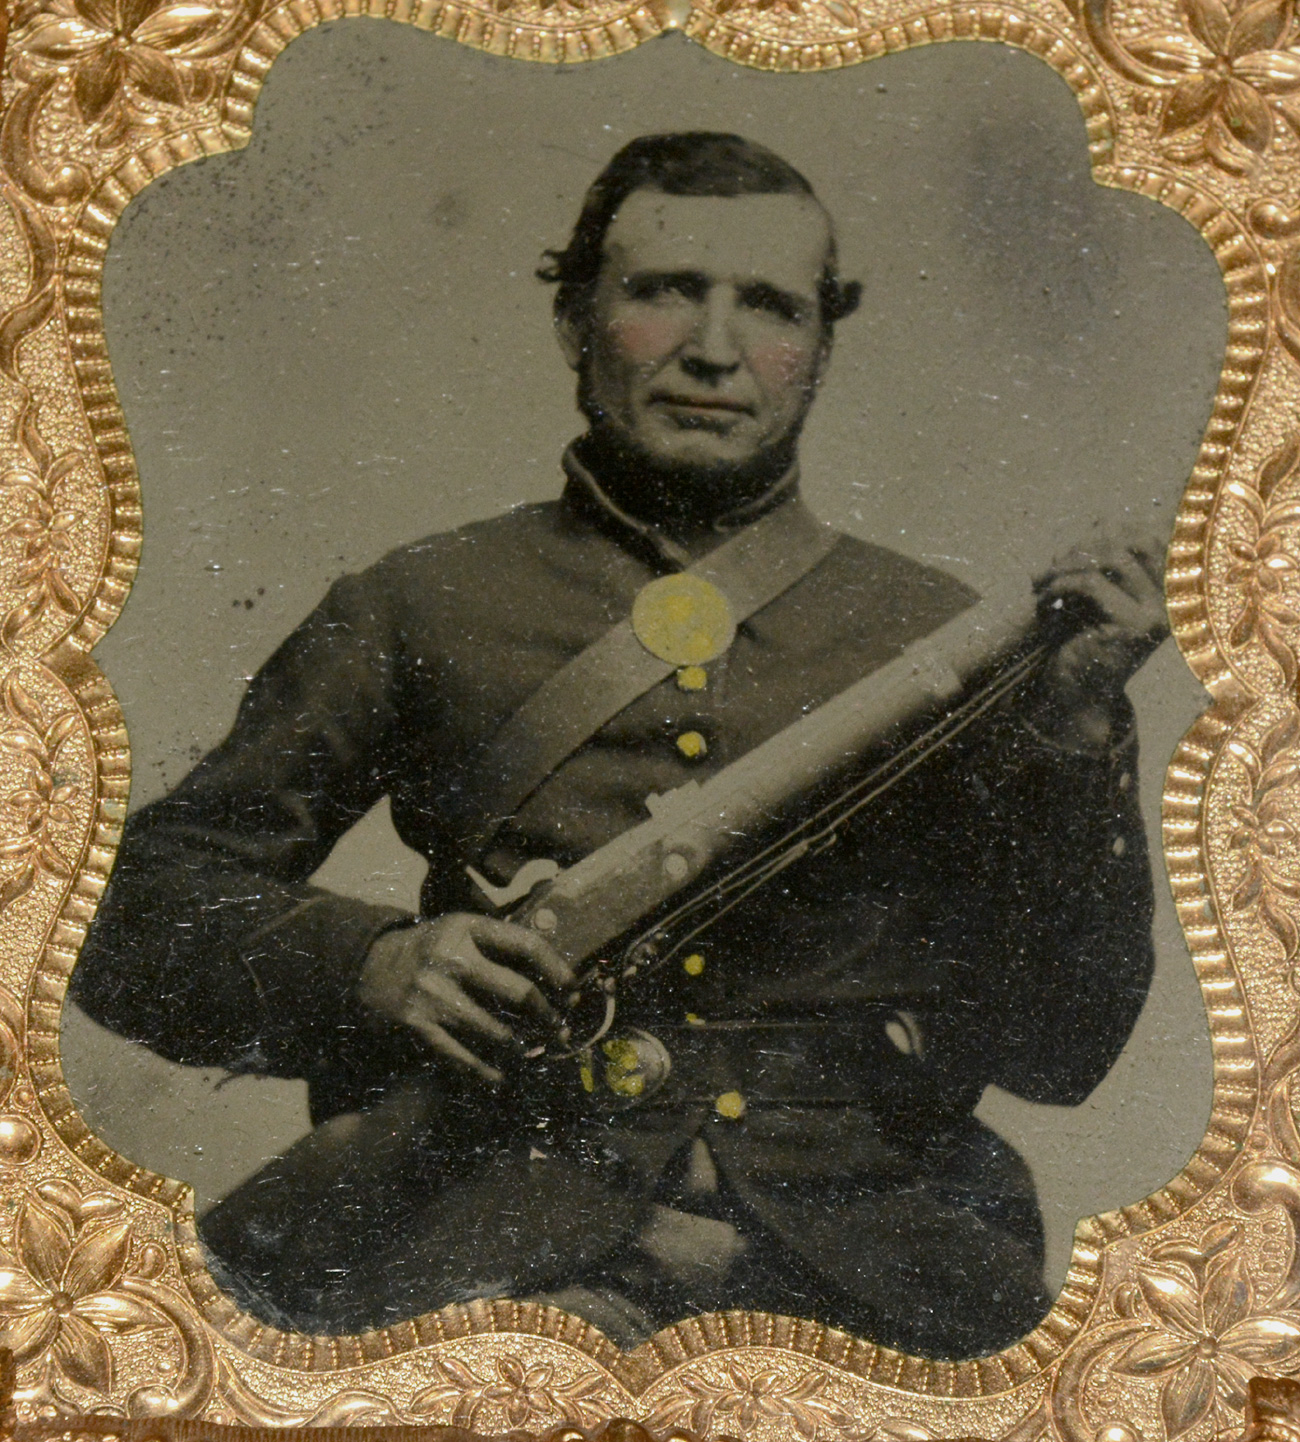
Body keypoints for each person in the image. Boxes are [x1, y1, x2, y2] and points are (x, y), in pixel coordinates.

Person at [72, 131, 1165, 1359]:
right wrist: (373, 965)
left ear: (820, 345)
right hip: (478, 1240)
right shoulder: (418, 602)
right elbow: (127, 912)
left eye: (768, 305)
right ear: (574, 320)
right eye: (663, 291)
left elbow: (1060, 1051)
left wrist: (1074, 731)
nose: (714, 348)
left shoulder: (944, 640)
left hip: (869, 1264)